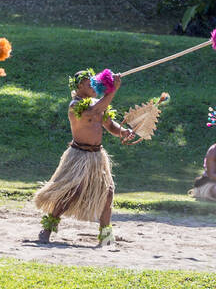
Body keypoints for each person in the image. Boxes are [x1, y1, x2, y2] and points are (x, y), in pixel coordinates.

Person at [34, 69, 138, 246]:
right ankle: (48, 229)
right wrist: (113, 90)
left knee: (108, 193)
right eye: (89, 82)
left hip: (97, 157)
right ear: (79, 85)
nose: (93, 85)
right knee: (70, 192)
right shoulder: (75, 105)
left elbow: (110, 126)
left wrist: (123, 132)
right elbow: (92, 112)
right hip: (78, 156)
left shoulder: (99, 103)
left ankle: (105, 235)